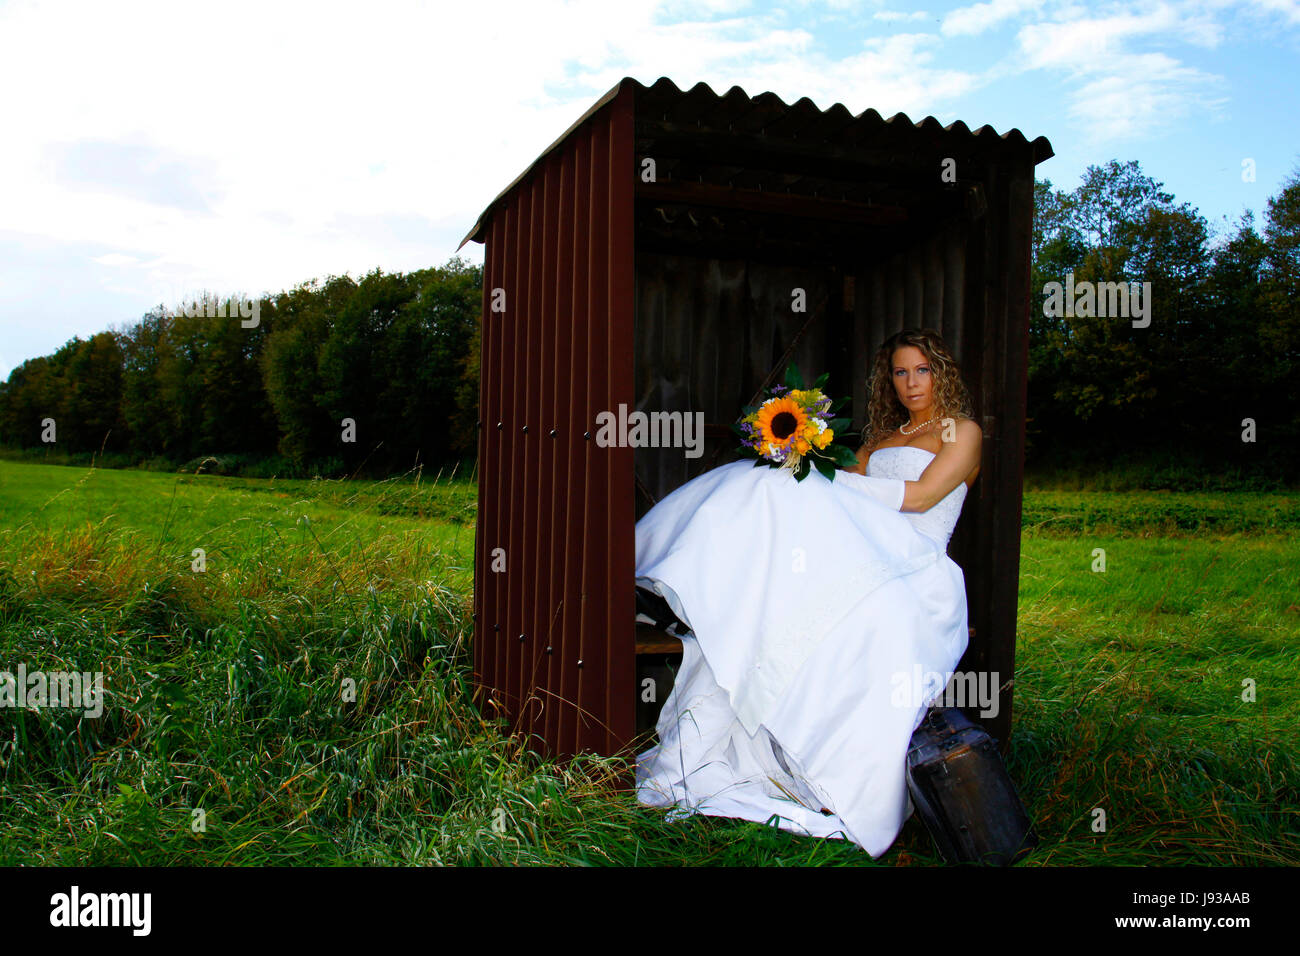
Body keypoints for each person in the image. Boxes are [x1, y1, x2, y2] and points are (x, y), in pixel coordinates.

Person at [634, 327, 982, 858]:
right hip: (869, 550)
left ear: (942, 372)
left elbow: (917, 499)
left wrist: (827, 476)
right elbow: (843, 504)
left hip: (917, 565)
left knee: (799, 495)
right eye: (900, 371)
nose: (911, 382)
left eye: (922, 370)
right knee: (769, 486)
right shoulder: (879, 441)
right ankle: (700, 577)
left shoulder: (962, 431)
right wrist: (803, 459)